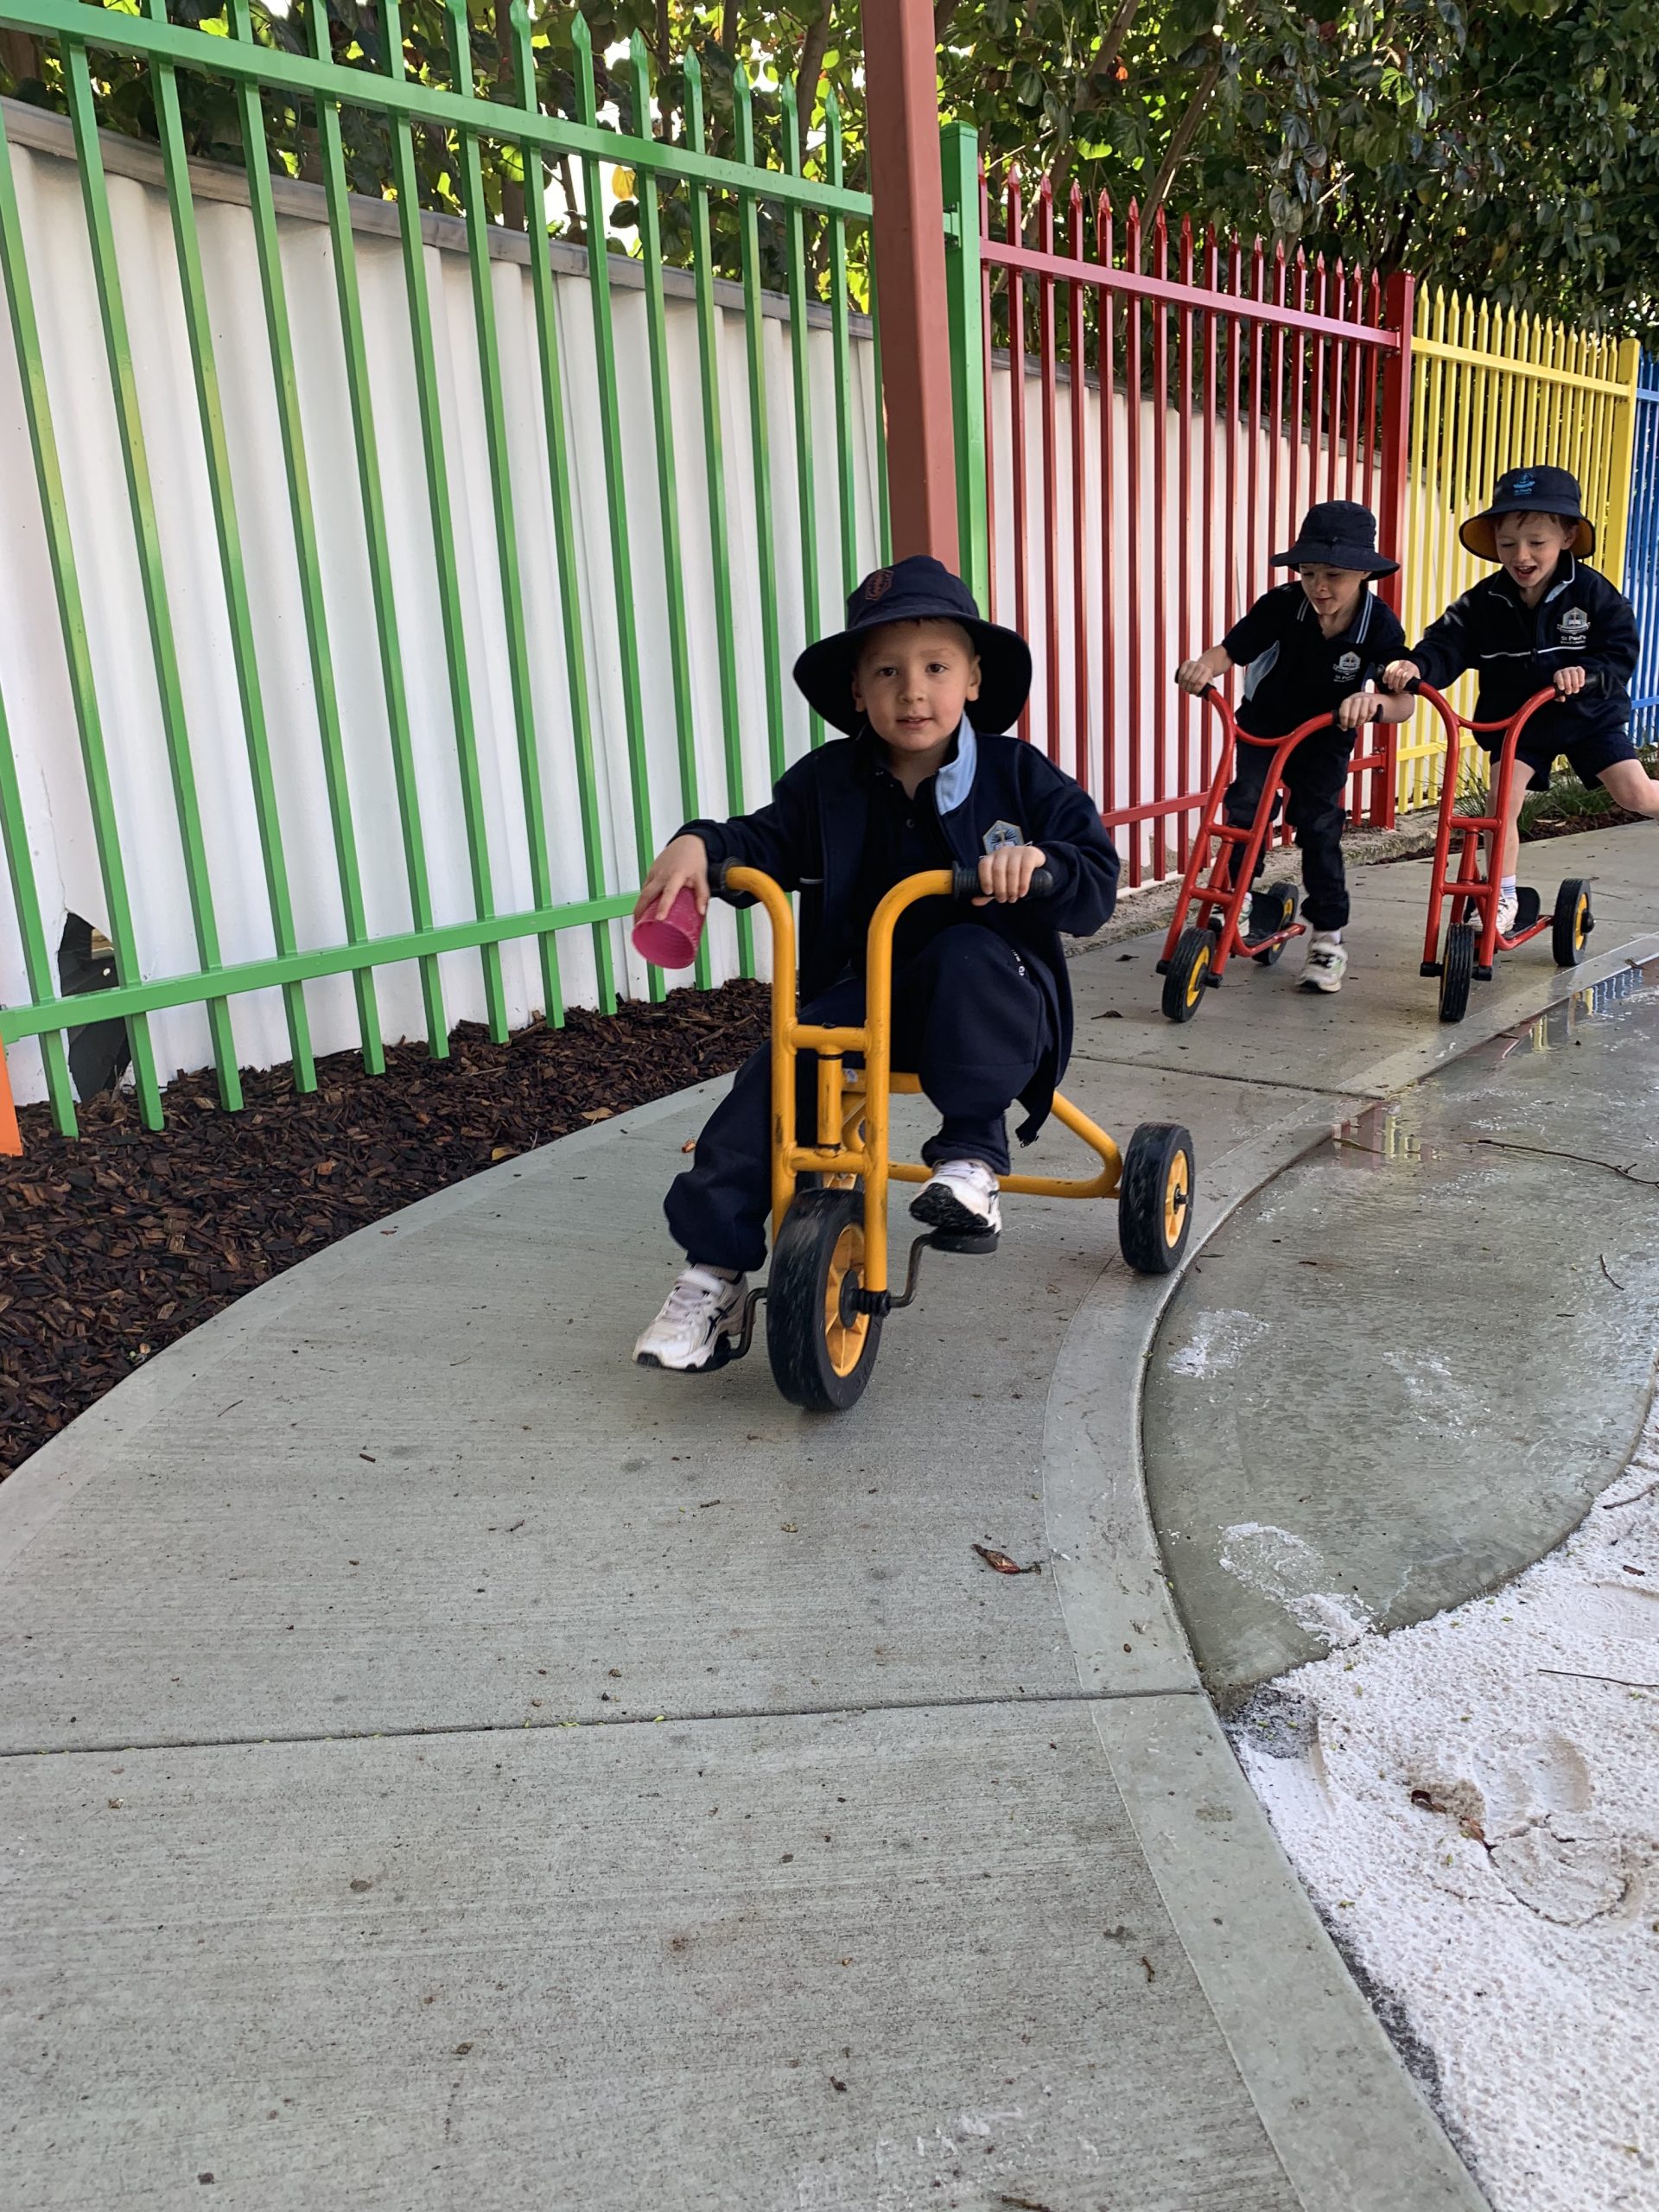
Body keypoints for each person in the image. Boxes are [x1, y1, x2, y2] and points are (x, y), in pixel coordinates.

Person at [631, 555, 1120, 1372]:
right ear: (857, 692)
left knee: (966, 946)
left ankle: (971, 1158)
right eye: (887, 672)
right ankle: (711, 1276)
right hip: (864, 1002)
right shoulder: (830, 781)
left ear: (972, 680)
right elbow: (763, 840)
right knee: (771, 1082)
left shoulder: (1016, 775)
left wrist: (1043, 865)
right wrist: (703, 843)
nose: (912, 691)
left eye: (934, 668)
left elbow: (1094, 878)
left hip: (991, 1003)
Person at [1382, 464, 1657, 934]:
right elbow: (1445, 643)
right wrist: (1416, 666)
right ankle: (1502, 895)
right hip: (1519, 720)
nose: (1521, 555)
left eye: (1537, 542)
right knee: (1498, 803)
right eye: (1508, 544)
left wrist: (1587, 673)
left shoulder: (1594, 594)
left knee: (1635, 794)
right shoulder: (1483, 601)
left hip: (1587, 715)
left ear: (1568, 537)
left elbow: (1620, 653)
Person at [1175, 499, 1414, 994]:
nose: (1319, 587)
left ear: (1363, 574)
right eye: (1308, 573)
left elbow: (1404, 703)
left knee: (1319, 824)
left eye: (1333, 575)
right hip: (1266, 723)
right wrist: (1204, 666)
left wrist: (1373, 700)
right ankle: (1236, 899)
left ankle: (1328, 936)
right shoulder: (1283, 605)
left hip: (1325, 735)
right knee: (1246, 806)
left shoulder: (1380, 625)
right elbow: (1230, 650)